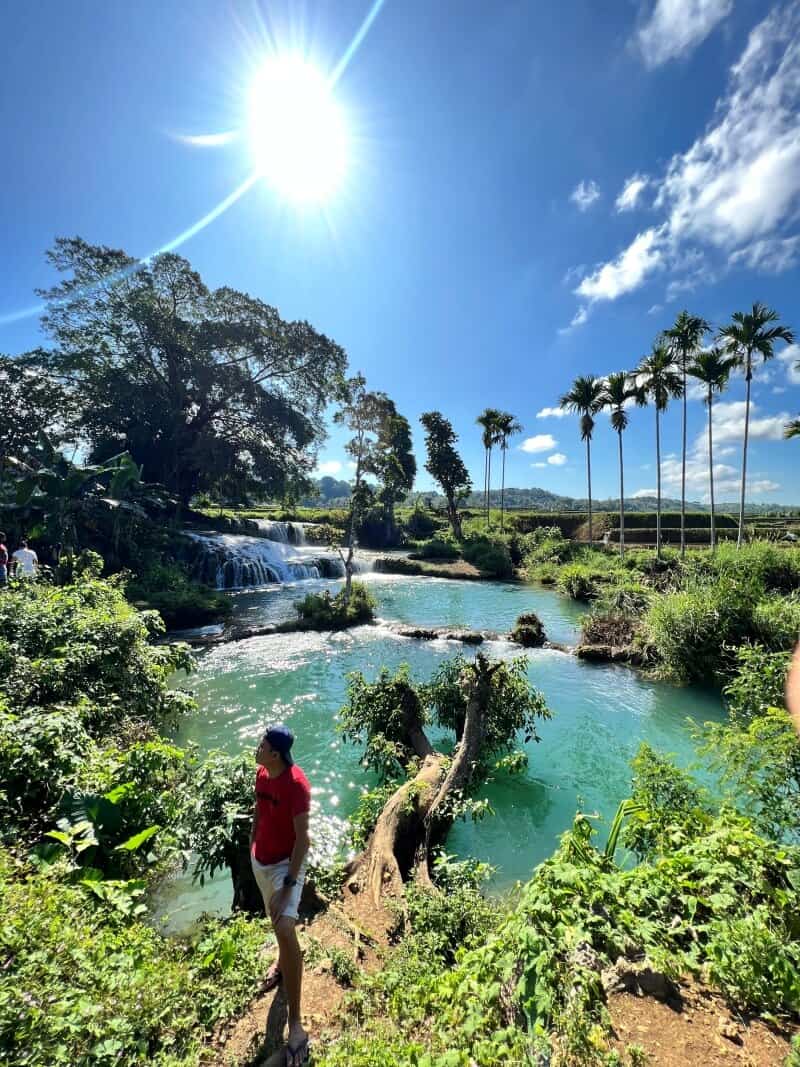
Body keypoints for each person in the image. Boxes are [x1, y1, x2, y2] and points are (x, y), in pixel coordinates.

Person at [250, 725, 311, 1067]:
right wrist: (252, 843)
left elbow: (303, 841)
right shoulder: (262, 774)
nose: (256, 749)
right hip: (261, 860)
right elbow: (259, 812)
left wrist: (288, 881)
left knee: (286, 928)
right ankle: (282, 964)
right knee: (277, 925)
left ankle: (296, 1024)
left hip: (287, 864)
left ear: (275, 753)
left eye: (261, 746)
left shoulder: (297, 786)